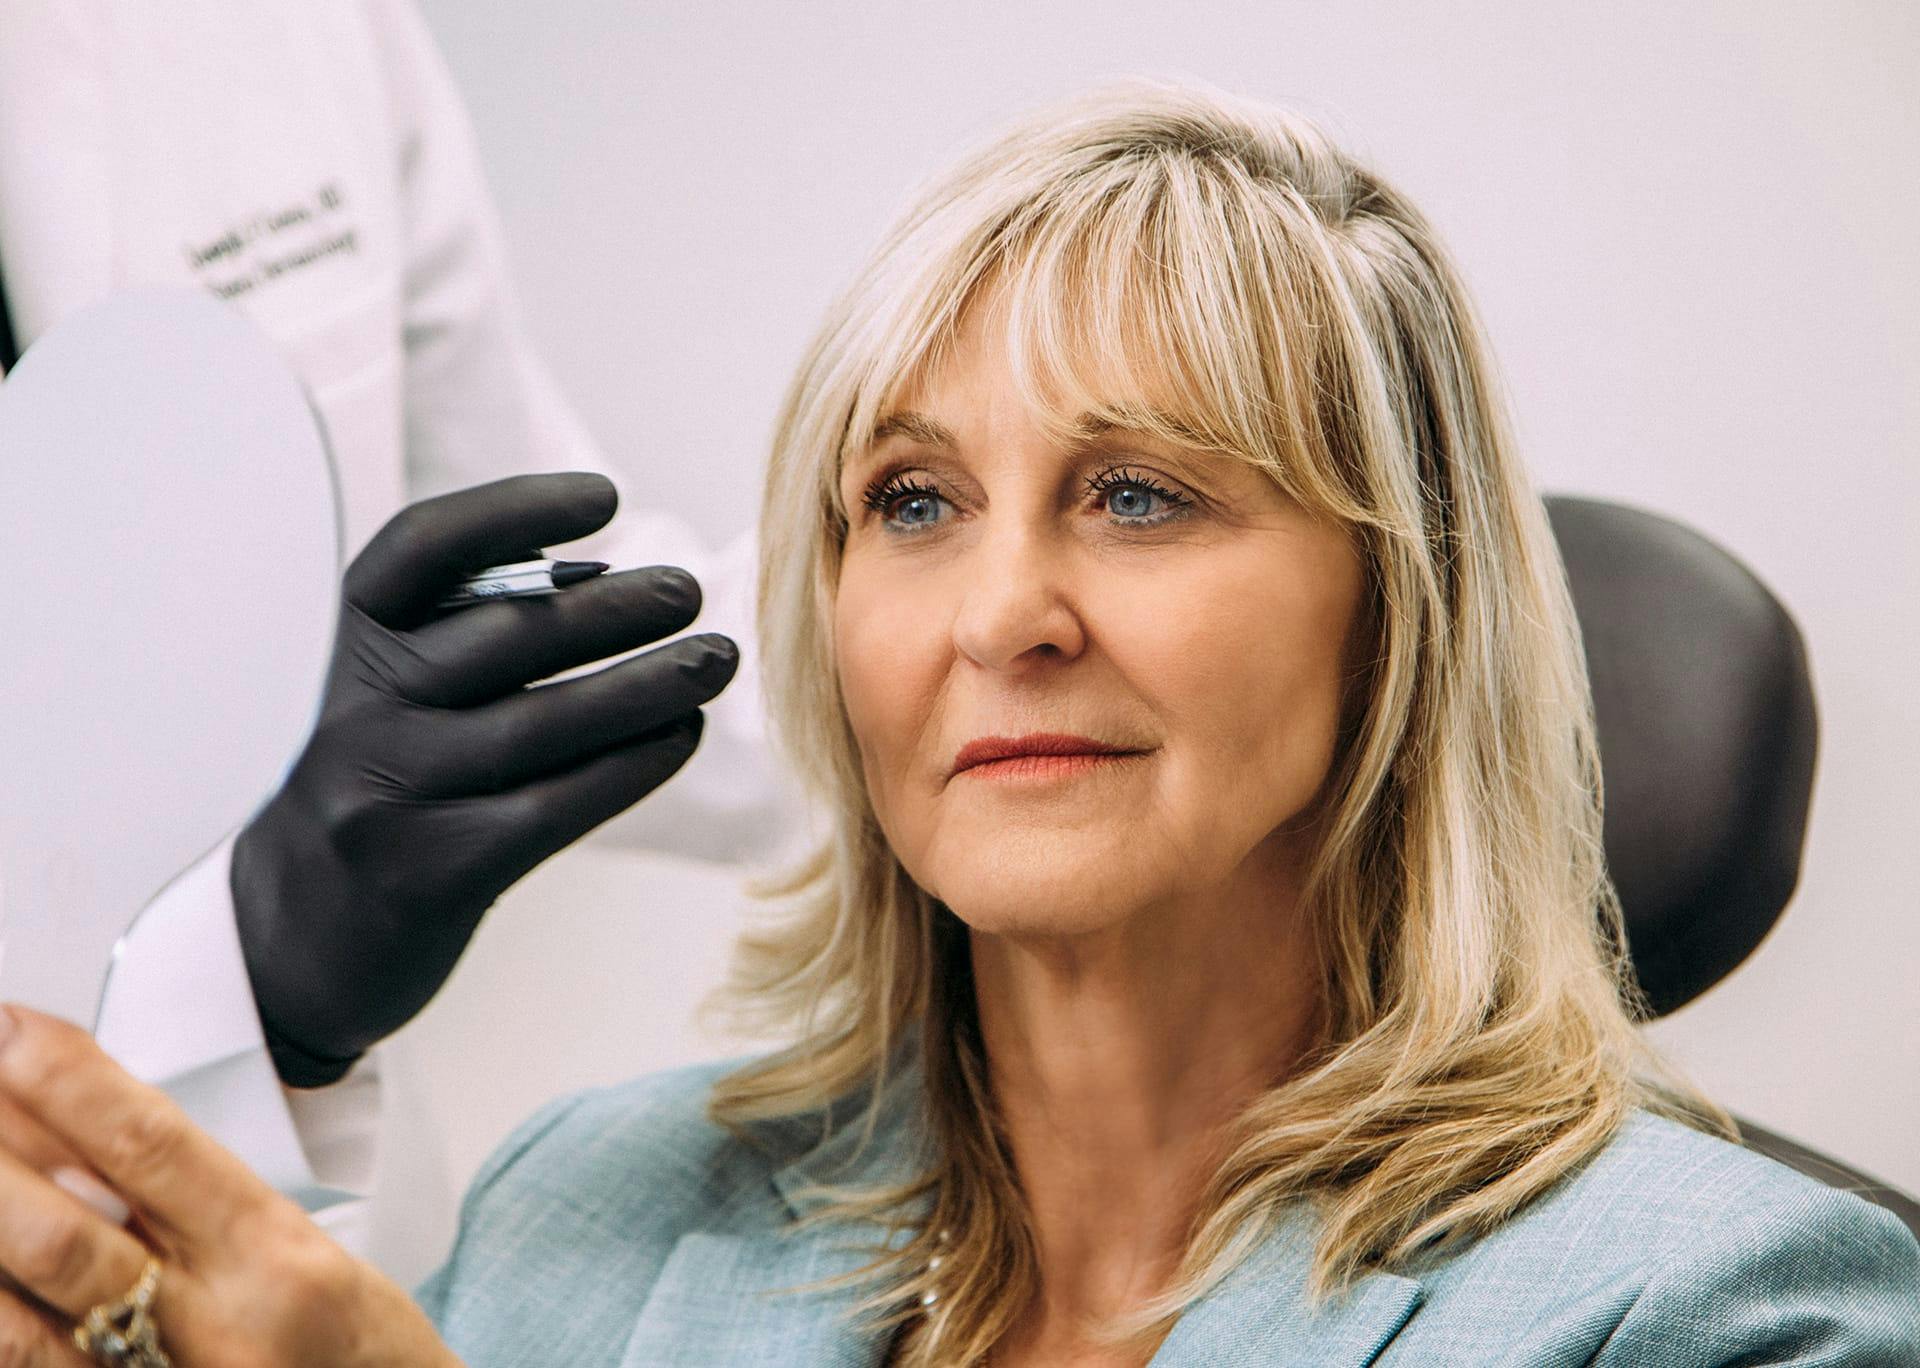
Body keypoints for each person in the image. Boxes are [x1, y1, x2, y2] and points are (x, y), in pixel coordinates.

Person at [2, 80, 1916, 1367]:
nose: (1003, 612)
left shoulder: (1728, 1306)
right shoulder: (594, 1210)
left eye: (1142, 493)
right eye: (911, 502)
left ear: (1400, 608)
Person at [0, 0, 797, 1282]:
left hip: (346, 1234)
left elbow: (511, 566)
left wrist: (911, 632)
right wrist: (239, 998)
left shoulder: (284, 31)